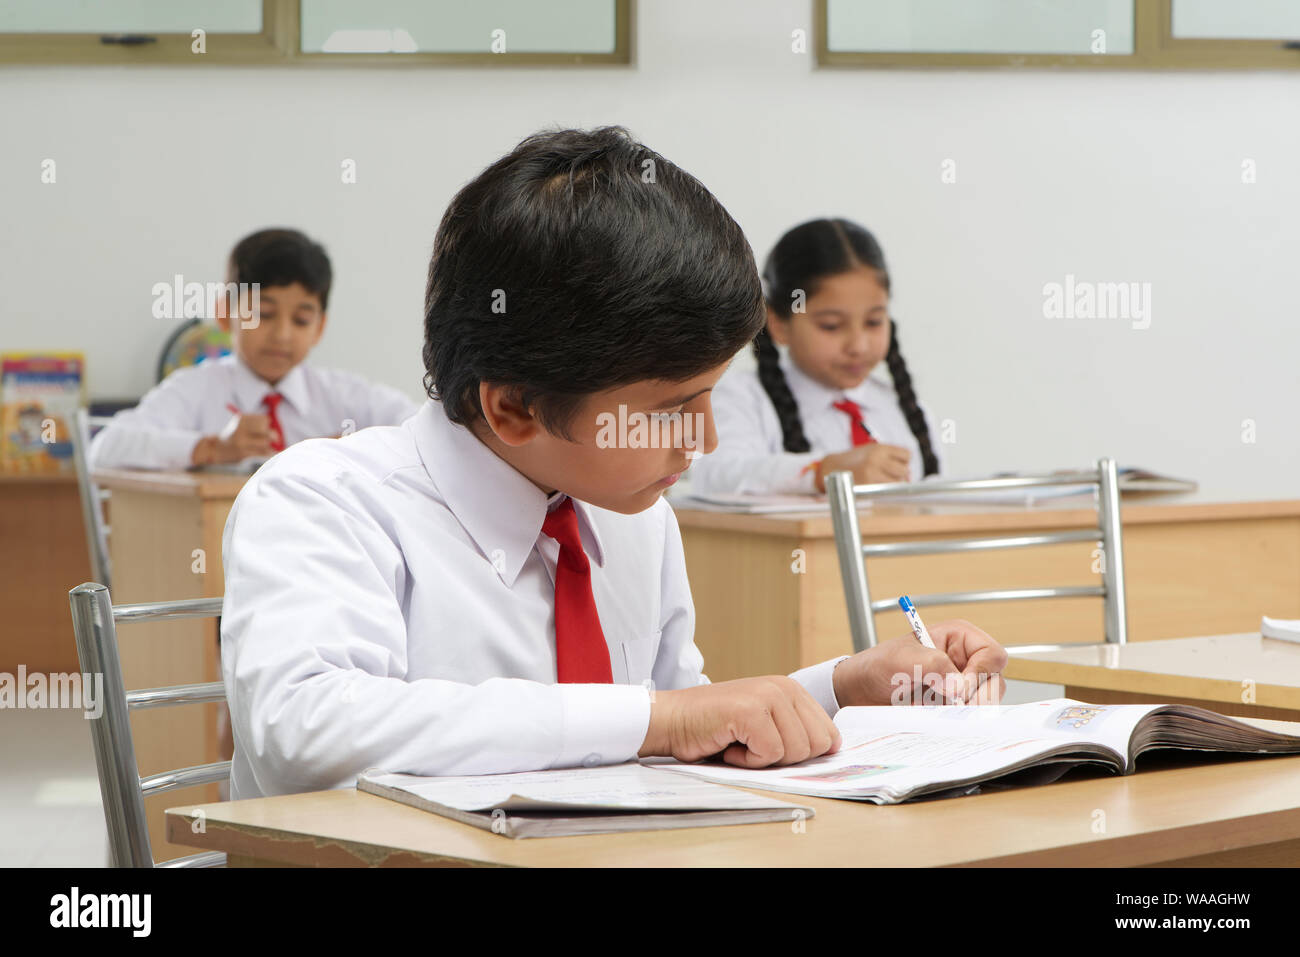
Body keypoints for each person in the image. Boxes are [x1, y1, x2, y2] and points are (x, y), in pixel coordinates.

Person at [219, 127, 1005, 799]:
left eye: (710, 398)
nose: (705, 441)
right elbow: (310, 735)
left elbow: (685, 731)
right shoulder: (323, 501)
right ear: (513, 407)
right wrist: (659, 718)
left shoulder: (633, 517)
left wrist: (842, 690)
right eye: (671, 407)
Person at [89, 228, 417, 471]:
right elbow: (106, 447)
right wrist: (213, 448)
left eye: (301, 320)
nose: (283, 335)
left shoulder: (344, 396)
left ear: (320, 327)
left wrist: (357, 447)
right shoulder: (195, 389)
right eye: (263, 314)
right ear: (224, 313)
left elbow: (420, 426)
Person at [691, 218, 941, 496]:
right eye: (831, 326)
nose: (858, 345)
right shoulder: (742, 398)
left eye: (873, 322)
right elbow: (717, 475)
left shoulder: (904, 409)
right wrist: (823, 471)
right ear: (779, 325)